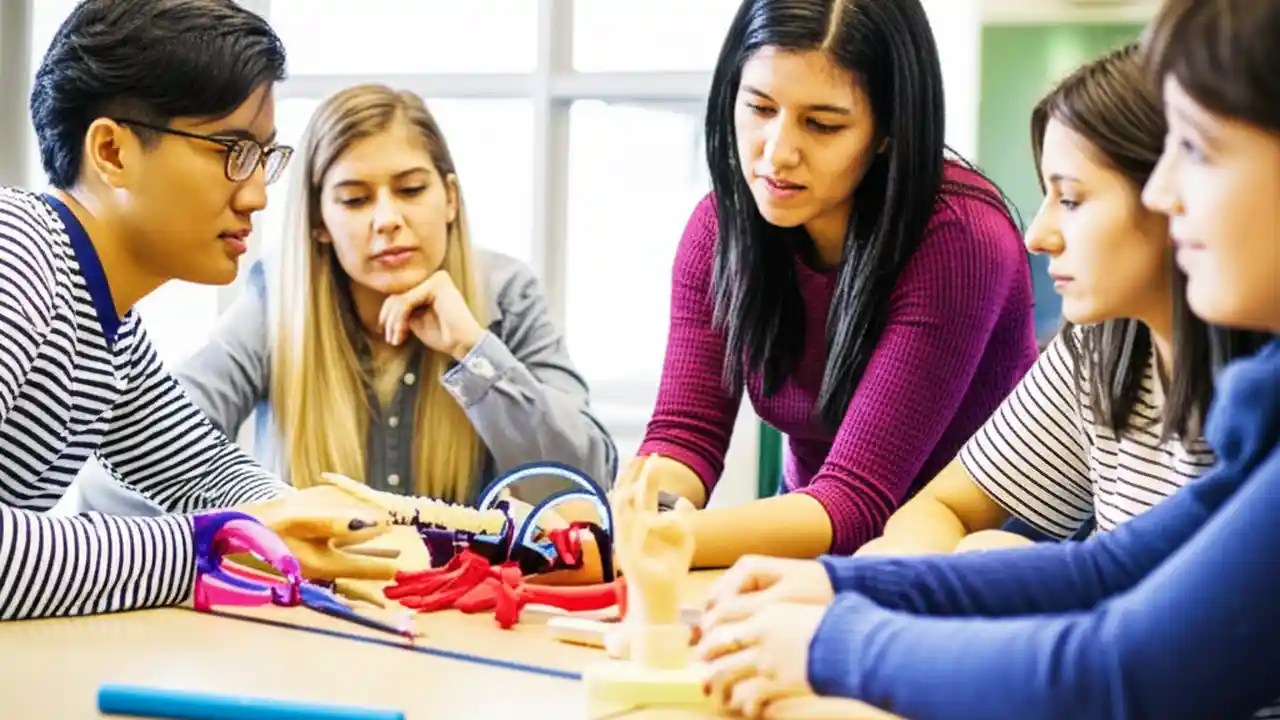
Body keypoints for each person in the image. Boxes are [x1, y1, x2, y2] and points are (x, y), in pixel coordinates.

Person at [694, 1, 1280, 717]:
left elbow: (1119, 671)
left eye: (1198, 151)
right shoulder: (1146, 365)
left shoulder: (958, 234)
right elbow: (1112, 567)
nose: (1164, 193)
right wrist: (842, 589)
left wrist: (834, 637)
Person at [0, 0, 395, 622]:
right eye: (231, 150)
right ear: (112, 151)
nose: (259, 194)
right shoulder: (17, 258)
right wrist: (218, 544)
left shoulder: (104, 319)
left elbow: (202, 466)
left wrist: (321, 529)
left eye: (264, 156)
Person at [74, 84, 616, 517]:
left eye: (411, 190)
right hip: (312, 626)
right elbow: (114, 484)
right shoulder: (276, 306)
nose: (387, 220)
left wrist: (473, 351)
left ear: (449, 198)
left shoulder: (506, 295)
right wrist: (254, 535)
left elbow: (583, 486)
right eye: (355, 199)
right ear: (319, 223)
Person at [628, 0, 1036, 567]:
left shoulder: (960, 240)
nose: (777, 153)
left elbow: (857, 502)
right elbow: (685, 432)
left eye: (822, 124)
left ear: (889, 129)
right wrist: (649, 511)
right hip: (808, 544)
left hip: (974, 567)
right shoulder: (720, 227)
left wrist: (658, 545)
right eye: (760, 108)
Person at [858, 44, 1267, 558]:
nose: (1037, 235)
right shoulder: (1099, 347)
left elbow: (1136, 611)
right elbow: (939, 509)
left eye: (1070, 200)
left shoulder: (1256, 391)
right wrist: (936, 575)